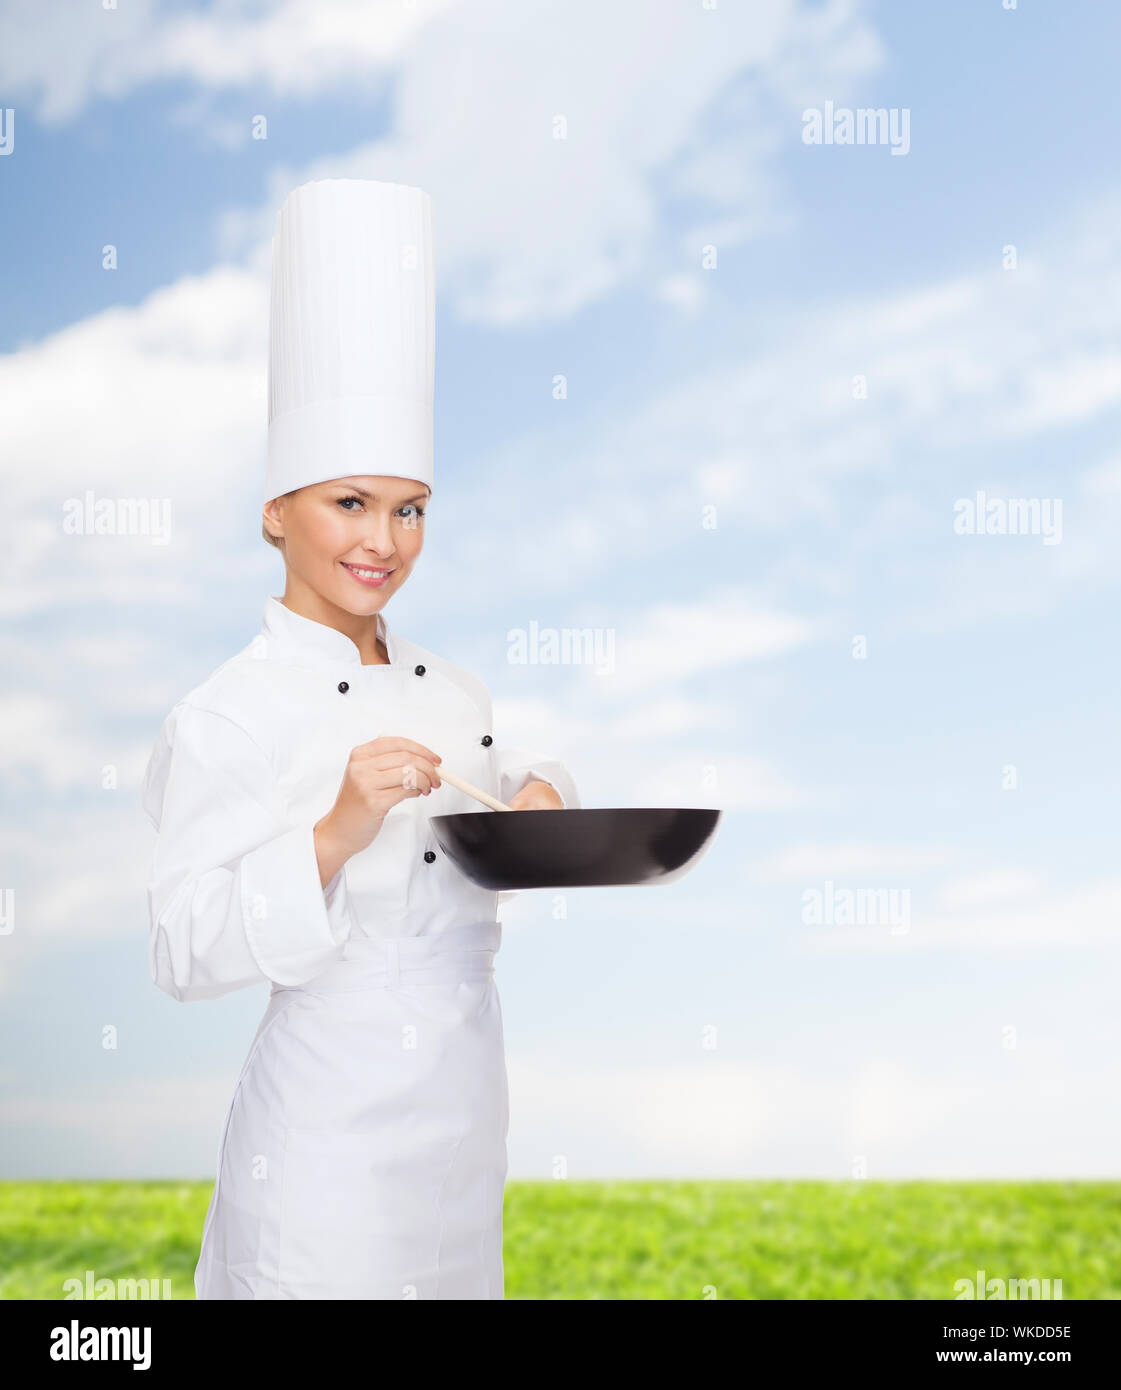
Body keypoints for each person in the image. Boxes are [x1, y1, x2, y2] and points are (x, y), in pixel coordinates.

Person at [141, 178, 578, 1300]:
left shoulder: (457, 691)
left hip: (464, 1130)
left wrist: (541, 803)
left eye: (410, 507)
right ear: (275, 509)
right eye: (349, 502)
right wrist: (335, 831)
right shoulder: (226, 711)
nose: (383, 540)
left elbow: (494, 825)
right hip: (323, 1150)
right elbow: (185, 951)